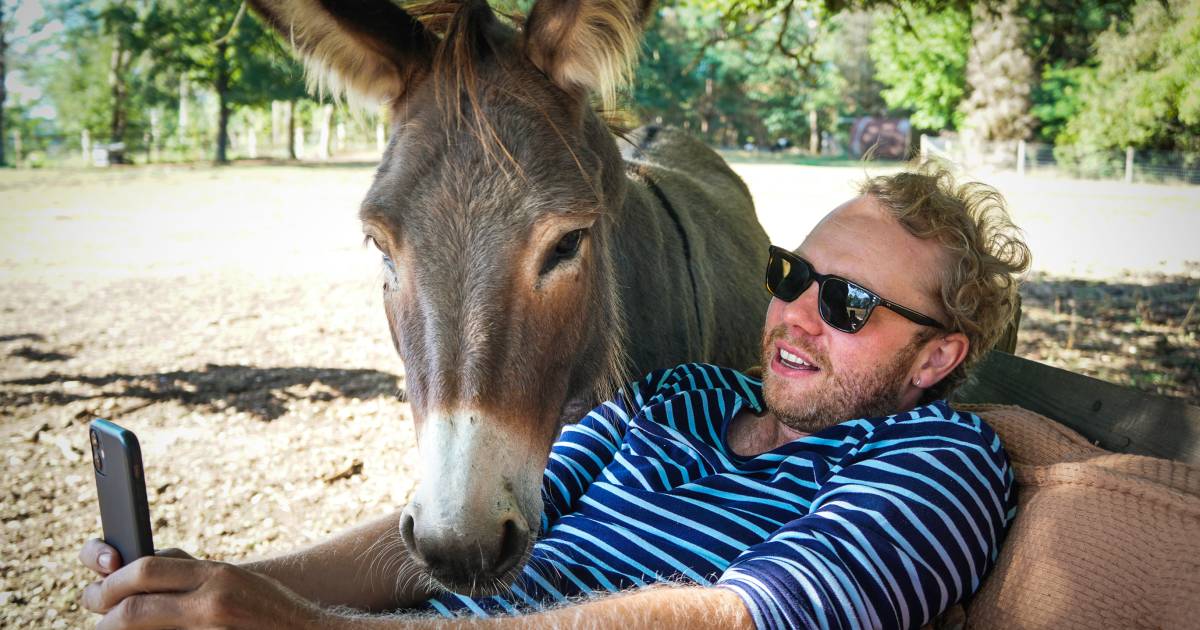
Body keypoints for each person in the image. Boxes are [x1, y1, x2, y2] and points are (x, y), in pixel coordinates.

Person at [78, 161, 1031, 629]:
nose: (796, 313)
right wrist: (227, 585)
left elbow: (747, 621)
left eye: (850, 302)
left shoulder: (939, 461)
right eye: (791, 272)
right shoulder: (681, 393)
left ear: (936, 359)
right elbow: (446, 543)